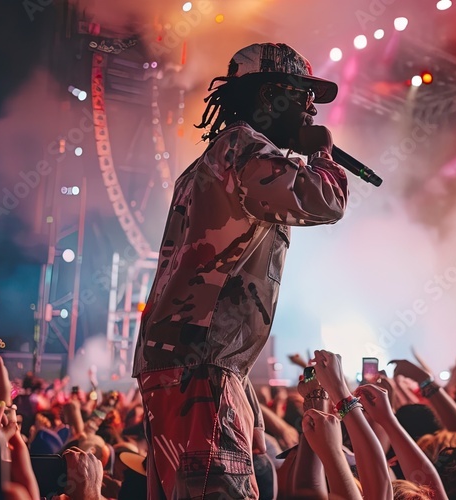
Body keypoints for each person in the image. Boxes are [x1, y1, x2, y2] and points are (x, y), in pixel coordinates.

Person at [133, 42, 348, 499]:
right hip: (202, 363)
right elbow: (323, 201)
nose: (312, 108)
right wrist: (323, 154)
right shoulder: (243, 147)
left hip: (201, 360)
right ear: (271, 96)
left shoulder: (211, 160)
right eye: (303, 94)